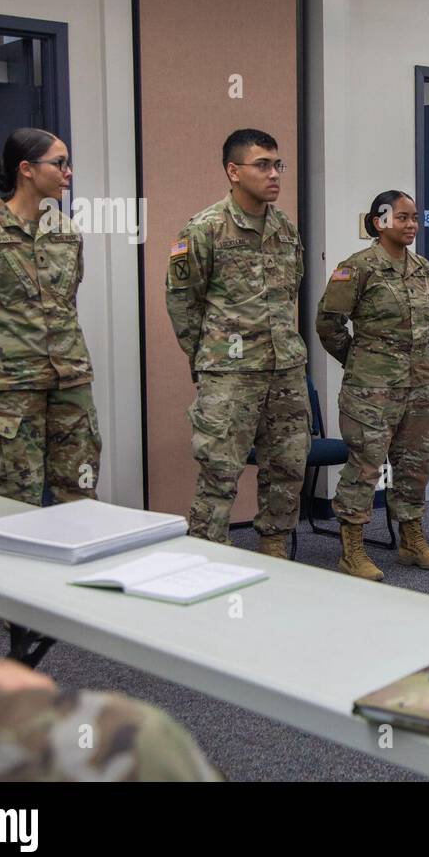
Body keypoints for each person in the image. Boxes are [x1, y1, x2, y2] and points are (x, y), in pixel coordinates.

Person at [0, 334, 220, 781]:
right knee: (17, 498)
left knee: (73, 504)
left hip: (65, 371)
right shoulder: (129, 749)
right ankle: (23, 615)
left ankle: (69, 609)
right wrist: (0, 713)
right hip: (9, 375)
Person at [0, 128, 101, 506]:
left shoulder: (67, 233)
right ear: (26, 169)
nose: (68, 172)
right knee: (17, 500)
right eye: (59, 163)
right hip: (9, 389)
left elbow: (67, 302)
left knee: (80, 494)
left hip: (69, 381)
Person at [166, 129, 308, 558]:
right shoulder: (205, 228)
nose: (274, 174)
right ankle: (208, 557)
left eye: (277, 164)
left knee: (287, 467)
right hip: (229, 375)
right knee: (219, 471)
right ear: (233, 171)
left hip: (285, 370)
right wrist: (209, 358)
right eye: (262, 165)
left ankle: (275, 550)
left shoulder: (284, 228)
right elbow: (182, 302)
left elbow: (291, 291)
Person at [316, 191, 429, 581]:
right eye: (401, 218)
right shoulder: (356, 269)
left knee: (416, 464)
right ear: (379, 222)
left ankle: (411, 539)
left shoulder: (424, 269)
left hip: (421, 384)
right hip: (370, 389)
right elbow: (329, 325)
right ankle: (352, 548)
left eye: (413, 218)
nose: (410, 225)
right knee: (365, 465)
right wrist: (360, 360)